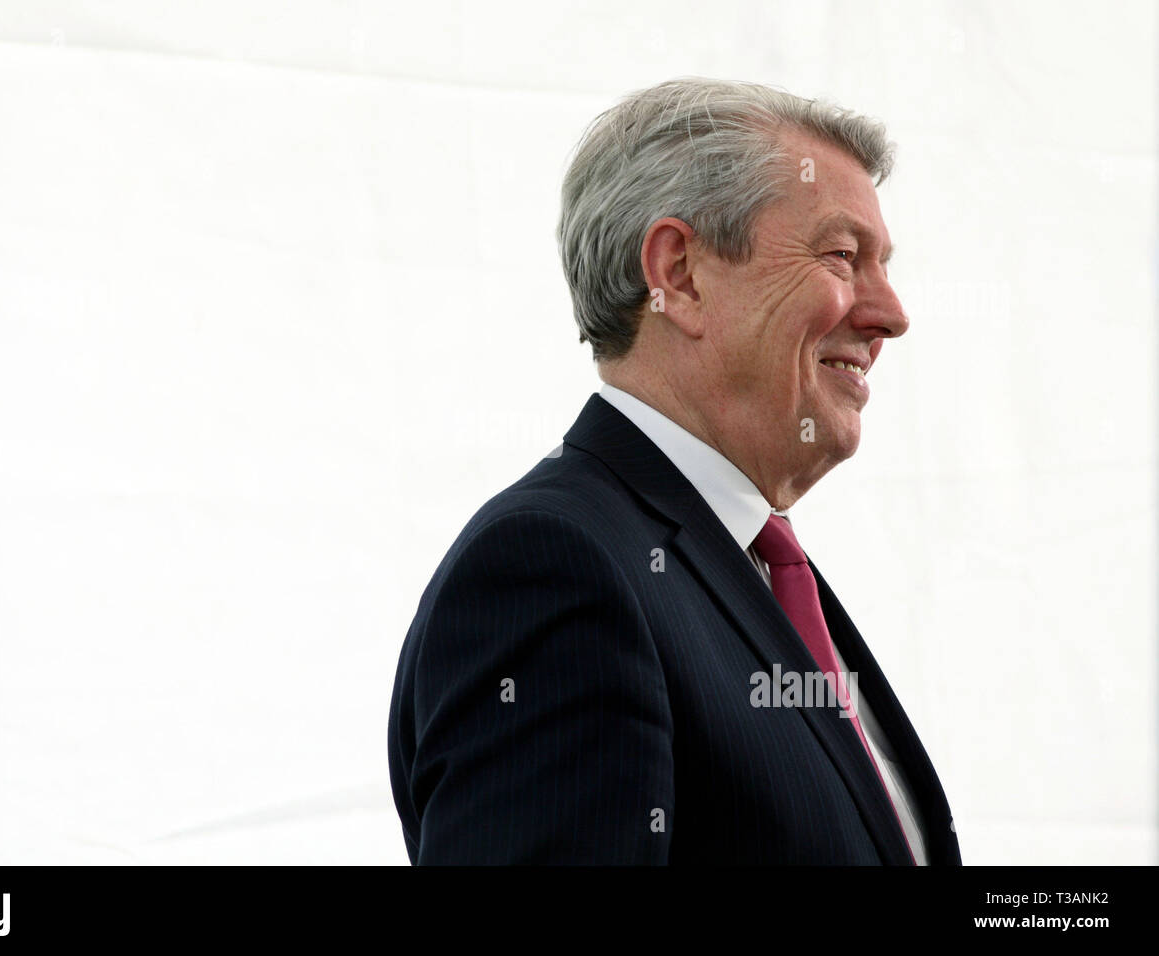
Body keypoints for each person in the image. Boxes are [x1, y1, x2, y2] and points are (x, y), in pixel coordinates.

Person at [387, 77, 961, 865]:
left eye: (883, 266)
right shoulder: (555, 570)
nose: (891, 313)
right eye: (842, 256)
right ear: (681, 275)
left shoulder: (743, 566)